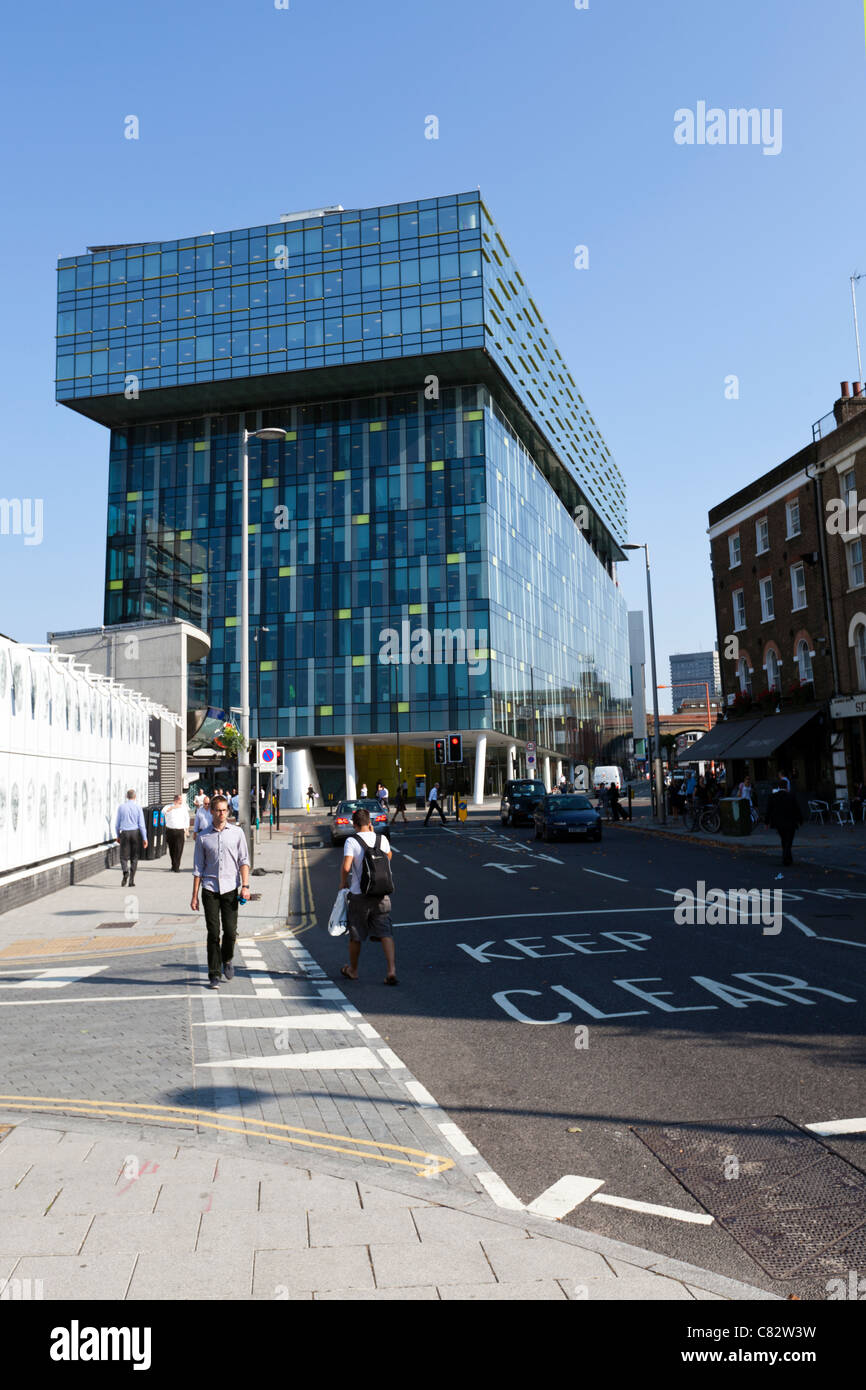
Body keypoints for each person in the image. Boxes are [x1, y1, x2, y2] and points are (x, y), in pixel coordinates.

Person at [191, 794, 251, 989]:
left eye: (225, 810)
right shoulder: (203, 836)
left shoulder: (237, 833)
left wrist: (245, 886)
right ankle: (214, 973)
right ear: (211, 811)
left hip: (231, 888)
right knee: (213, 933)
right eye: (218, 810)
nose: (222, 813)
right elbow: (198, 867)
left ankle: (227, 958)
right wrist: (194, 896)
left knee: (231, 931)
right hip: (209, 888)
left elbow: (244, 861)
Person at [339, 807, 397, 985]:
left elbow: (346, 866)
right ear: (370, 823)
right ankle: (391, 970)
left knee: (356, 934)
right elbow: (388, 857)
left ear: (354, 824)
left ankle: (353, 970)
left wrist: (343, 882)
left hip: (359, 895)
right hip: (381, 893)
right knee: (385, 932)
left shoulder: (352, 841)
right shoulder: (382, 839)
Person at [765, 776, 803, 866]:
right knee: (789, 840)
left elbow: (769, 810)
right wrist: (800, 819)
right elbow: (797, 809)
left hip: (778, 822)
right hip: (790, 822)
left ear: (778, 787)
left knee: (784, 838)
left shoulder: (773, 797)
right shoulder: (791, 796)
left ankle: (787, 856)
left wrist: (766, 822)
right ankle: (786, 856)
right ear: (786, 787)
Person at [115, 789, 148, 887]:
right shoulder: (138, 808)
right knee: (134, 857)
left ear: (126, 796)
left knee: (123, 856)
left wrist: (118, 835)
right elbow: (141, 824)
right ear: (135, 797)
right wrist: (144, 838)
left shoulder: (121, 807)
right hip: (135, 833)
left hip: (124, 833)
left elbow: (117, 824)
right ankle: (131, 881)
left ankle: (125, 871)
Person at [162, 793, 189, 873]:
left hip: (180, 830)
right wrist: (173, 807)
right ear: (176, 800)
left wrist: (186, 829)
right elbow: (163, 812)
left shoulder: (184, 808)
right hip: (170, 830)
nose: (181, 801)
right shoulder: (168, 806)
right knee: (172, 848)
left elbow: (186, 818)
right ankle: (173, 865)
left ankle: (177, 866)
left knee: (179, 848)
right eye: (180, 800)